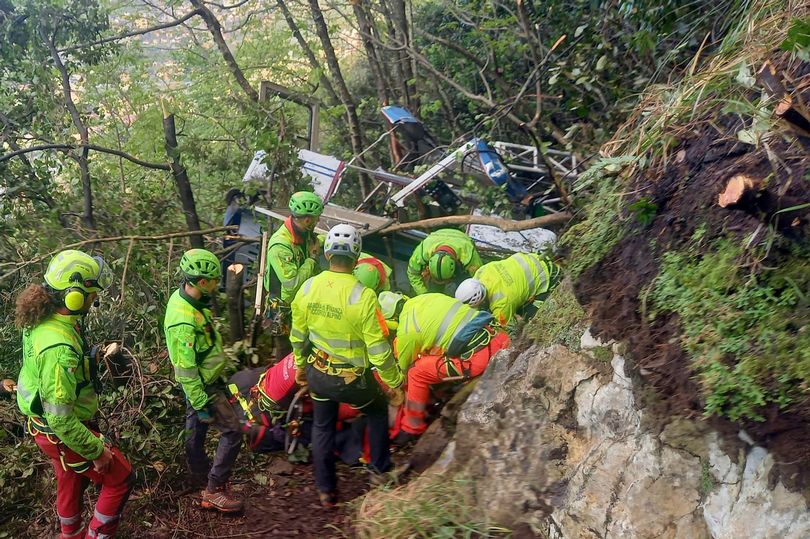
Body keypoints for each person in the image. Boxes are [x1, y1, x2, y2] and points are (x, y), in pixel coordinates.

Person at [15, 249, 134, 538]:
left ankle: (71, 534)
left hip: (43, 428)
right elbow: (62, 420)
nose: (95, 298)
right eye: (92, 292)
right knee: (121, 477)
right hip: (60, 430)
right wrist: (96, 451)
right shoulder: (59, 348)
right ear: (74, 295)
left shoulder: (47, 319)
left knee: (69, 478)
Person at [290, 224, 405, 508]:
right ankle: (379, 471)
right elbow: (378, 351)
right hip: (353, 381)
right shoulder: (363, 296)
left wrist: (300, 366)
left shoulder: (308, 287)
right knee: (377, 412)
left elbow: (297, 335)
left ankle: (326, 490)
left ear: (327, 253)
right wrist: (394, 381)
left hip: (318, 374)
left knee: (322, 425)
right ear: (357, 257)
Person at [164, 248, 243, 513]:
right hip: (202, 385)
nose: (217, 284)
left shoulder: (189, 299)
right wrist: (200, 401)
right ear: (200, 282)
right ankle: (213, 490)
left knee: (195, 431)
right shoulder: (183, 320)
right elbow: (185, 369)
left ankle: (198, 473)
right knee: (232, 432)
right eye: (213, 280)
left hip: (207, 380)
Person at [393, 293, 510, 444]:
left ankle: (411, 428)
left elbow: (403, 367)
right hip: (497, 335)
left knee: (415, 373)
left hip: (478, 357)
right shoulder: (427, 298)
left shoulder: (406, 330)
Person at [264, 191, 324, 356]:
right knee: (287, 353)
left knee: (304, 348)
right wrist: (312, 259)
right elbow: (292, 284)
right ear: (307, 220)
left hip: (301, 300)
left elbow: (317, 242)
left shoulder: (303, 232)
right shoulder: (281, 245)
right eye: (316, 218)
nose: (318, 221)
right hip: (284, 305)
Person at [455, 253, 562, 326]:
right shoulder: (481, 272)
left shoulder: (501, 303)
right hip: (534, 258)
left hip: (547, 276)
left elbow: (500, 328)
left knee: (528, 318)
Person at [406, 228, 482, 295]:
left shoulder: (469, 257)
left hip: (461, 241)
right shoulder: (422, 252)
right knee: (434, 290)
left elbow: (479, 279)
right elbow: (412, 274)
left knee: (463, 287)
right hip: (436, 237)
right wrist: (424, 294)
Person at [220, 188, 245, 290]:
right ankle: (226, 286)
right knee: (229, 261)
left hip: (232, 236)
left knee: (230, 261)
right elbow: (230, 224)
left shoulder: (232, 207)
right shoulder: (234, 207)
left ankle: (227, 285)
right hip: (231, 237)